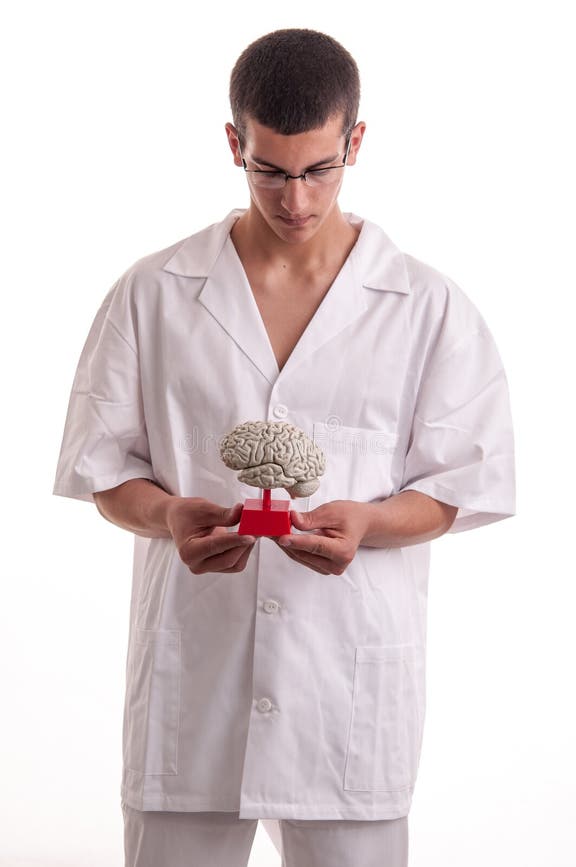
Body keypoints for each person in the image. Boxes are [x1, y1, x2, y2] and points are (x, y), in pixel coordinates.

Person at [52, 27, 516, 867]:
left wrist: (369, 524)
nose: (296, 200)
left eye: (318, 170)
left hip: (347, 689)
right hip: (194, 681)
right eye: (269, 169)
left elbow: (458, 485)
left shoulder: (426, 306)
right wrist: (168, 514)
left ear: (356, 143)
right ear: (234, 143)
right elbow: (104, 466)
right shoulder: (154, 293)